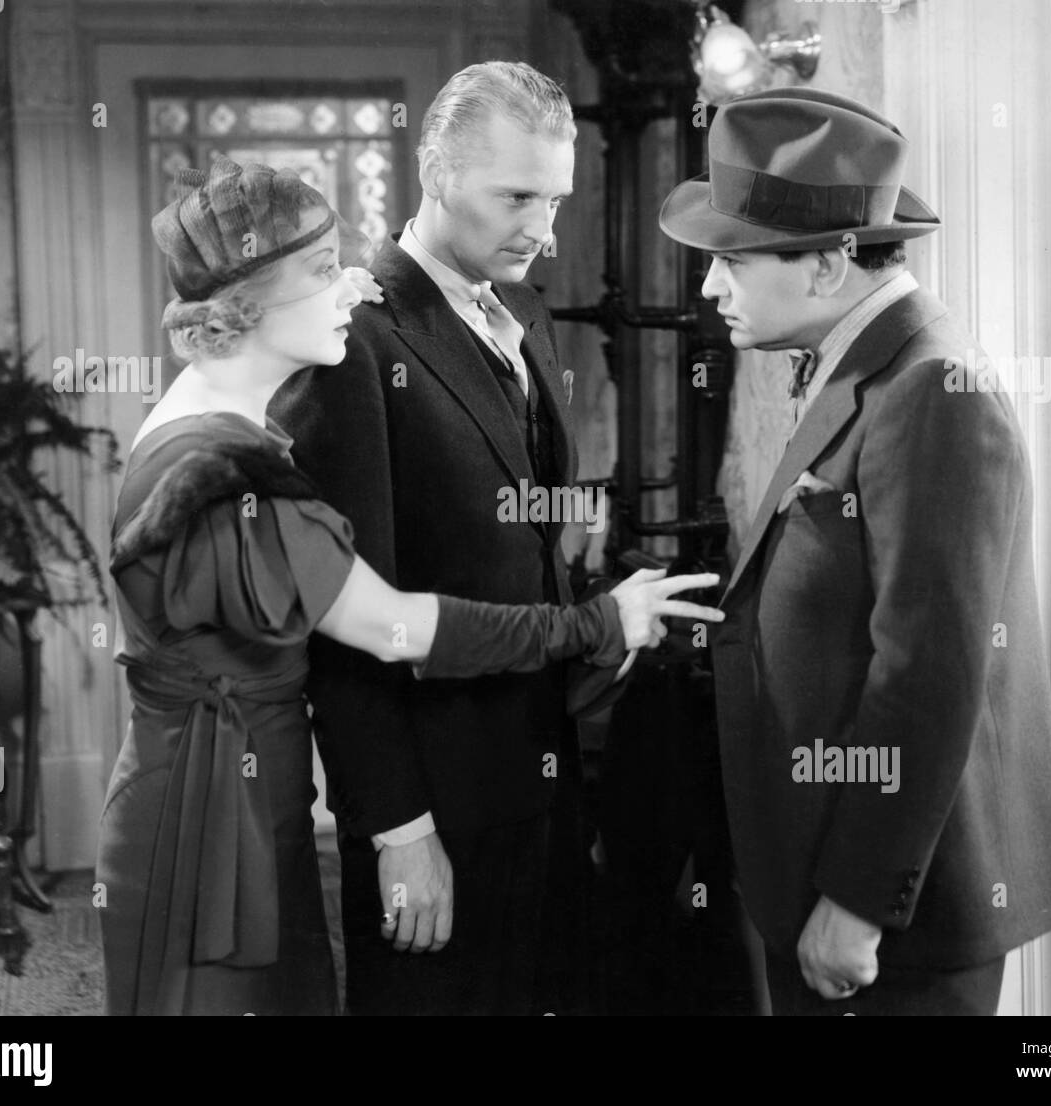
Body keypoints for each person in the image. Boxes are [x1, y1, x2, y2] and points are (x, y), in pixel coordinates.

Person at [96, 155, 723, 1016]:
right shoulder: (223, 466)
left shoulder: (211, 406)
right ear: (246, 309)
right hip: (209, 820)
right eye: (323, 273)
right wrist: (592, 624)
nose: (354, 289)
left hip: (235, 791)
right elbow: (397, 628)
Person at [659, 88, 1051, 1015]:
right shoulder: (868, 364)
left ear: (831, 263)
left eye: (732, 260)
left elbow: (929, 672)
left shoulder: (935, 389)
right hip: (823, 870)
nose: (709, 289)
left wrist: (857, 901)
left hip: (901, 921)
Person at [270, 61, 609, 1015]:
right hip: (436, 805)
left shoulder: (526, 318)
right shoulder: (350, 343)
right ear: (438, 172)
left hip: (541, 784)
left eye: (555, 198)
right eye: (516, 197)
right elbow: (343, 616)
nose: (542, 230)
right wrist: (395, 828)